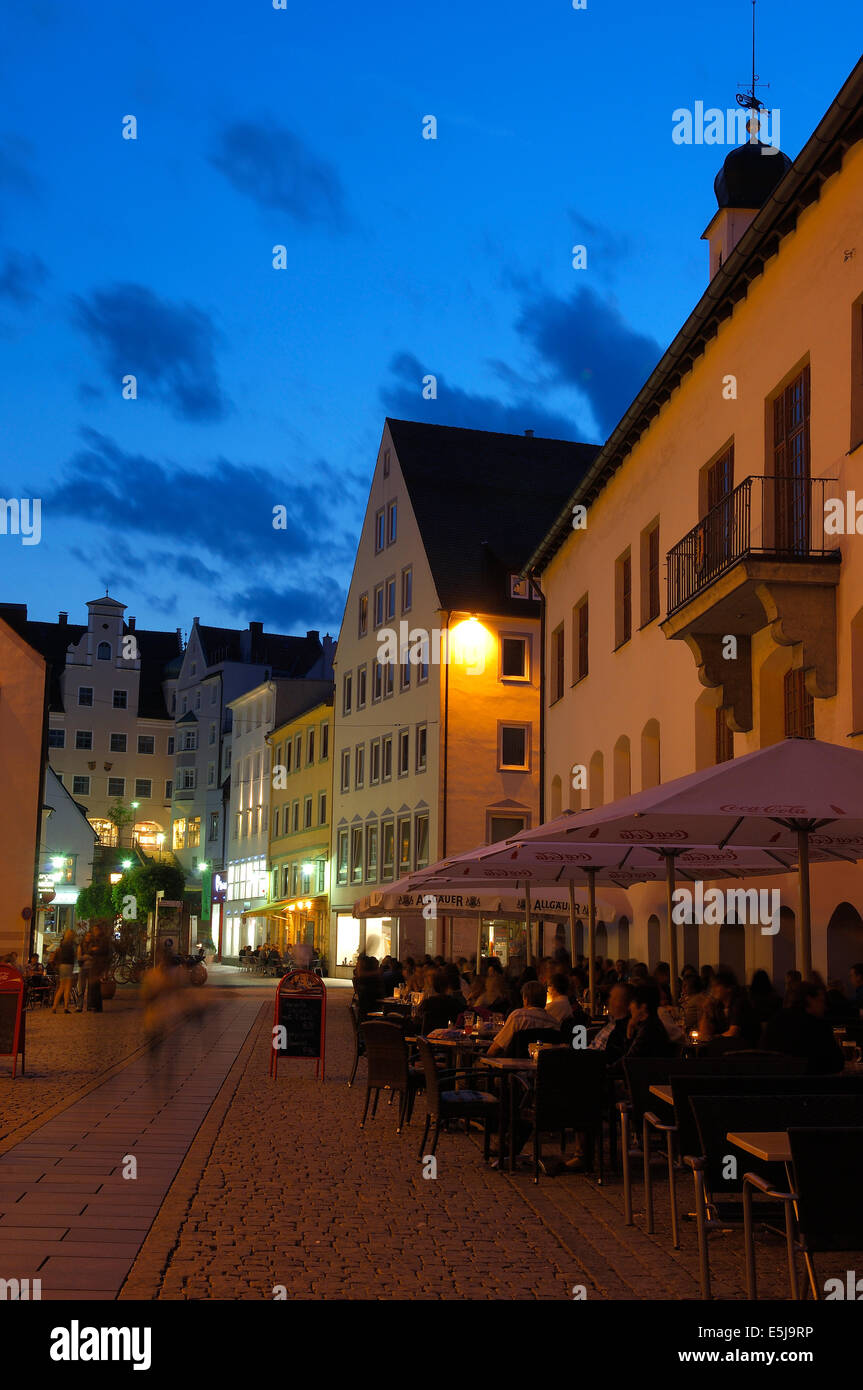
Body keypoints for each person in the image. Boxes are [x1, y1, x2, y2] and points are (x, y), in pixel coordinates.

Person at [763, 982, 844, 1074]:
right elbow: (837, 1063)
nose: (824, 1007)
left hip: (776, 1082)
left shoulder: (776, 1020)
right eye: (821, 1001)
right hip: (811, 1084)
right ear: (809, 999)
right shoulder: (818, 1025)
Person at [608, 983, 678, 1077]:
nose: (629, 1008)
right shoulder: (648, 1025)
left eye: (632, 1004)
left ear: (643, 1007)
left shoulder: (649, 1030)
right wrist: (630, 1033)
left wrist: (606, 1071)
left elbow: (629, 1061)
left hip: (645, 1082)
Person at [486, 981, 560, 1057]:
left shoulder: (518, 1017)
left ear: (526, 999)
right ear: (545, 1000)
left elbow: (496, 1048)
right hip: (543, 1068)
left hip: (513, 1066)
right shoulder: (554, 1024)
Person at [698, 969, 759, 1045]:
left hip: (745, 1049)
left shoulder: (739, 1002)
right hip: (727, 1048)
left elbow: (733, 1033)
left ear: (729, 988)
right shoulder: (718, 1005)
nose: (713, 989)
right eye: (712, 986)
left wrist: (714, 1038)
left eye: (717, 986)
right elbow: (705, 1033)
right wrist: (706, 1011)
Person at [588, 982, 633, 1067]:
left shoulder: (623, 1030)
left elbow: (610, 1059)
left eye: (615, 999)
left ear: (627, 1004)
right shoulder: (610, 1022)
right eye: (610, 997)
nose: (610, 1001)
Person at [418, 969, 463, 1033]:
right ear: (448, 986)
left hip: (428, 1038)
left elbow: (418, 1018)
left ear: (434, 986)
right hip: (448, 1038)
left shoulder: (427, 1003)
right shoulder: (454, 1003)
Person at [52, 929, 77, 1013]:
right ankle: (65, 1007)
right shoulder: (71, 945)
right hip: (68, 965)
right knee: (67, 988)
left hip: (62, 966)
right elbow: (72, 956)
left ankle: (54, 1006)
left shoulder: (62, 944)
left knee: (61, 987)